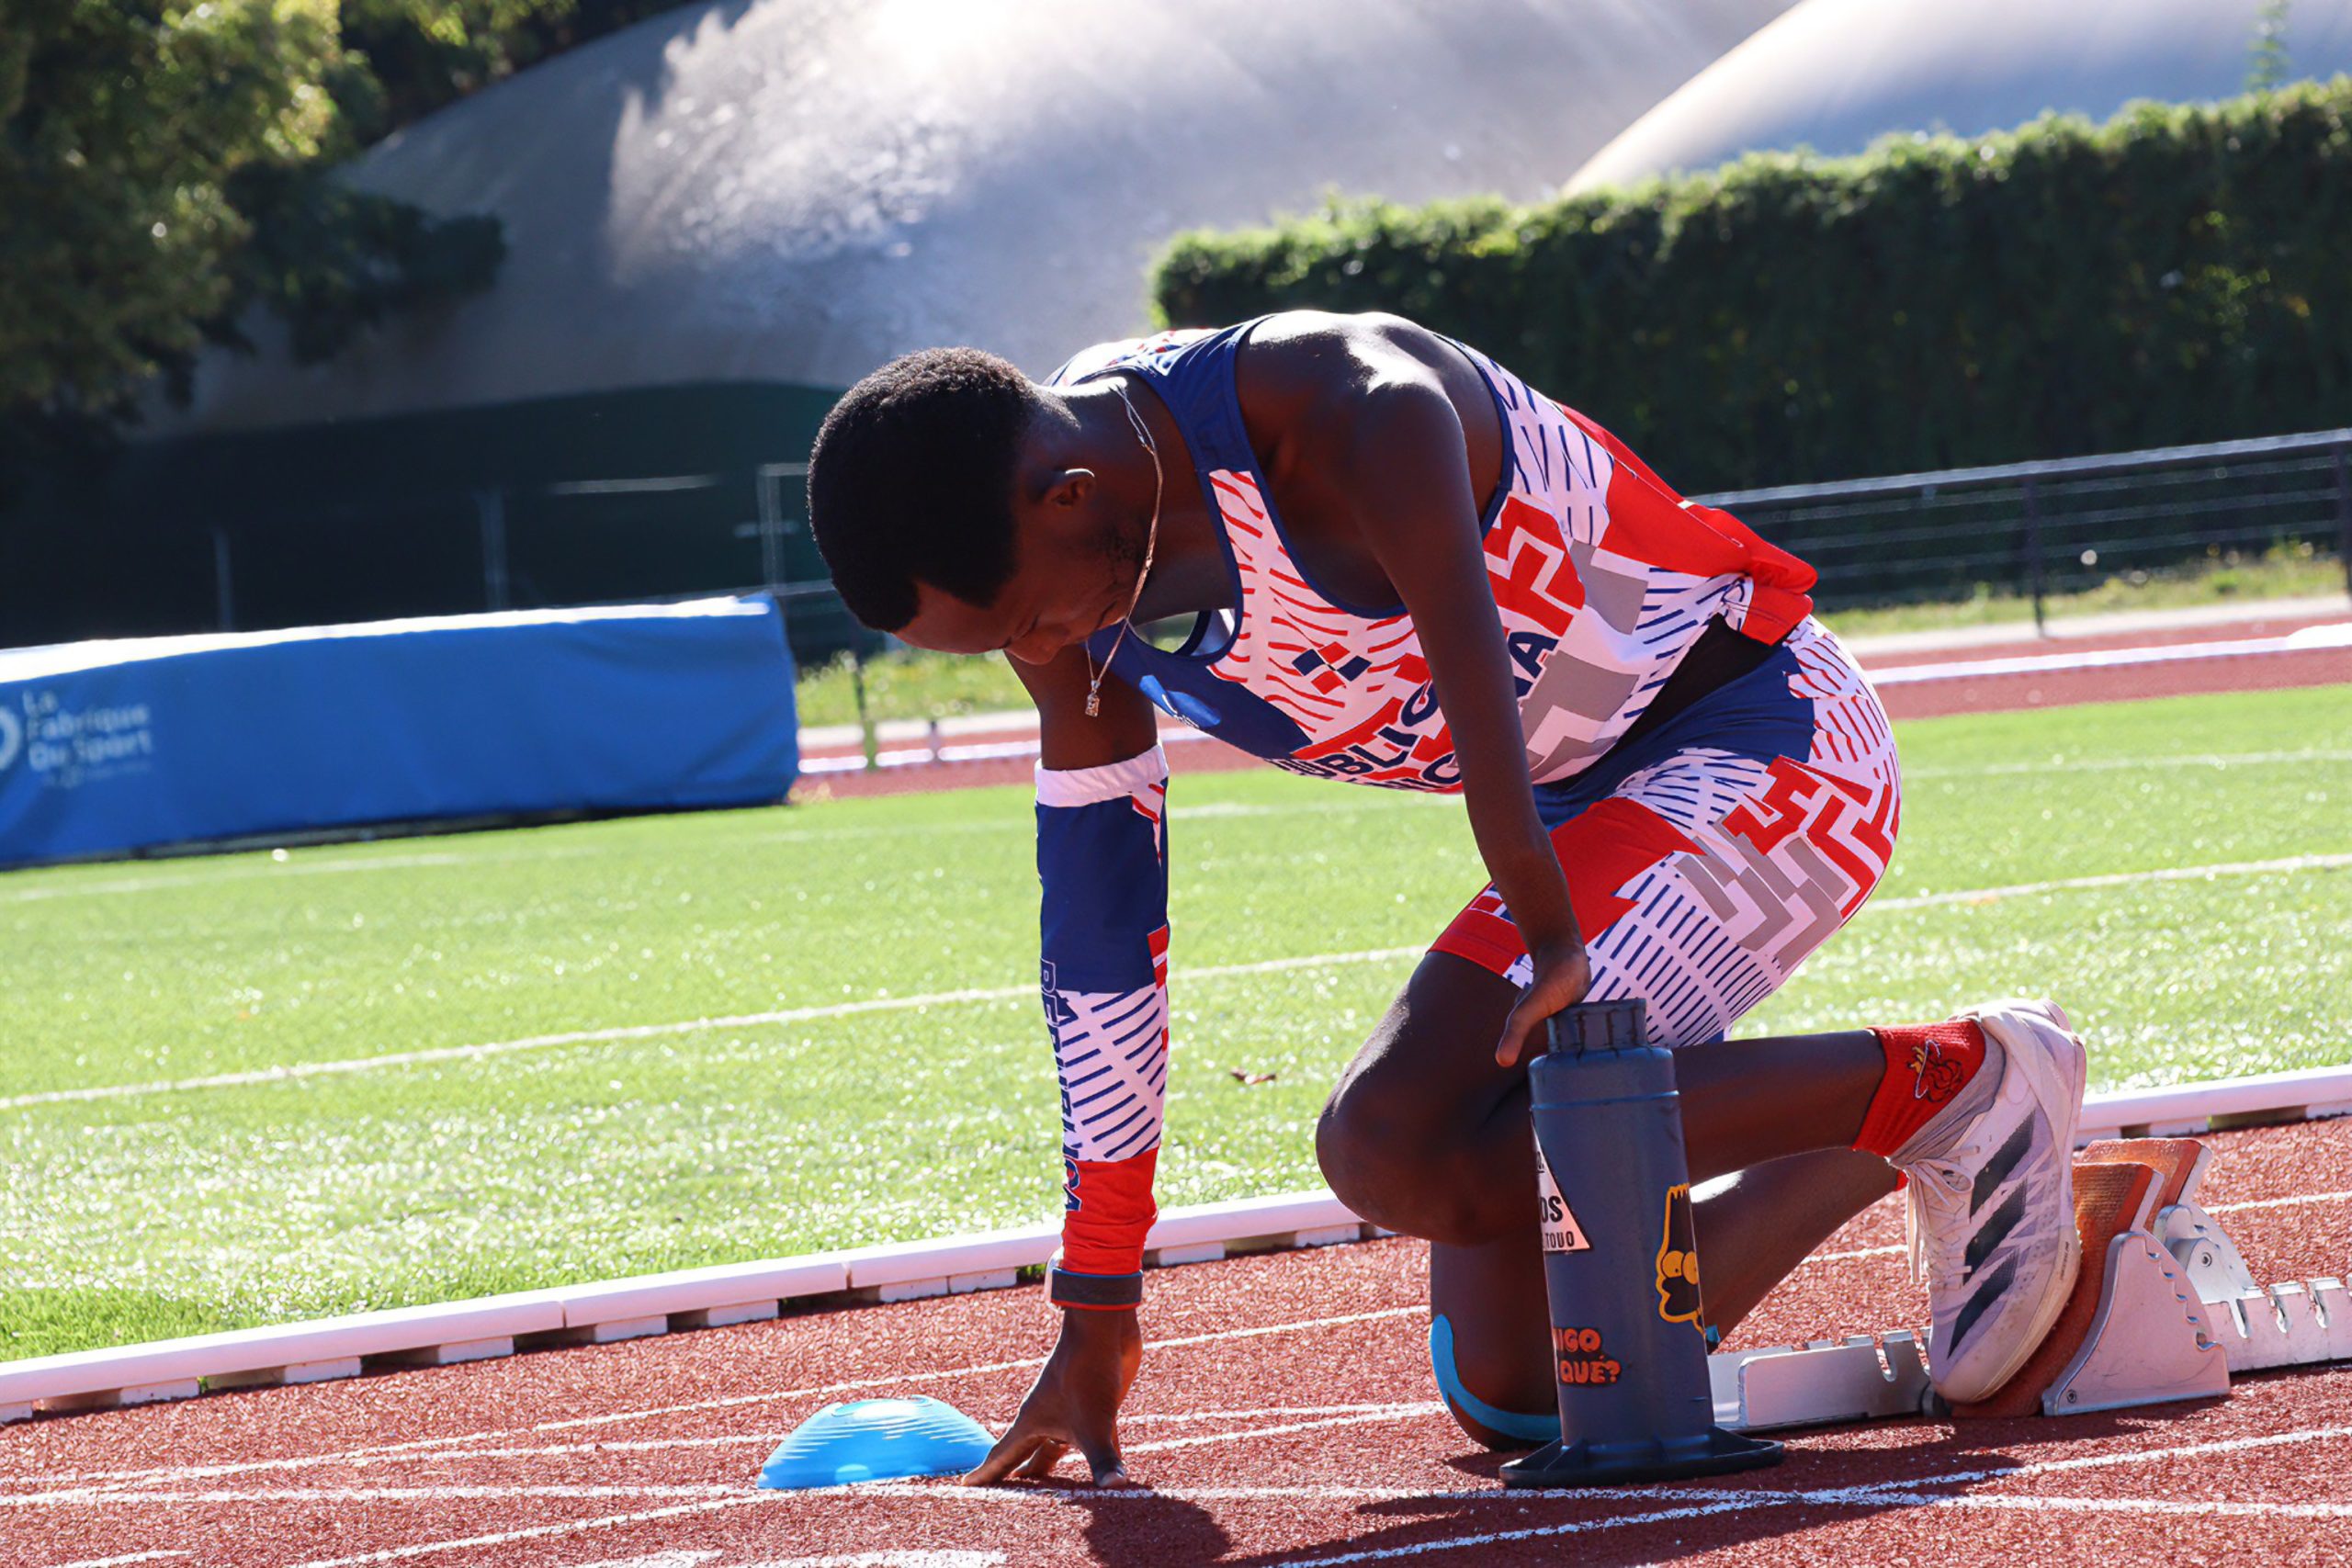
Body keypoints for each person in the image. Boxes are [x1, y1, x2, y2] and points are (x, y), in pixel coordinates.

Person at [806, 310, 2088, 1486]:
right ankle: (1909, 1112)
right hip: (1587, 816)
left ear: (1068, 495)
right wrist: (1096, 1298)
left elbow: (1482, 706)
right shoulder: (1077, 571)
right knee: (1524, 1393)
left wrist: (1542, 929)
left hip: (1769, 746)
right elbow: (1100, 939)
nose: (1044, 652)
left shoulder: (1355, 415)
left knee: (1392, 1142)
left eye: (1027, 619)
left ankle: (1964, 1088)